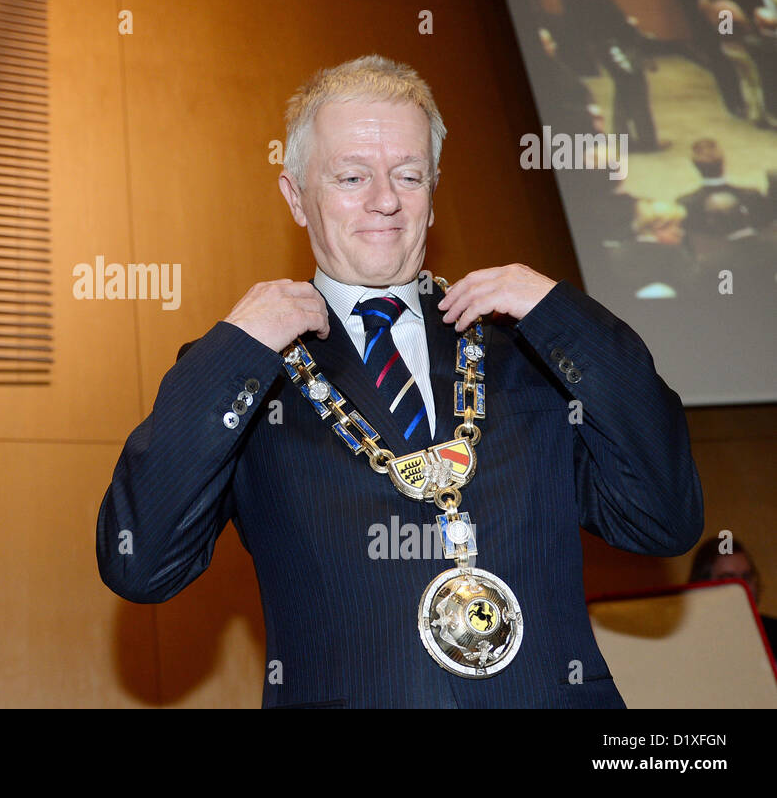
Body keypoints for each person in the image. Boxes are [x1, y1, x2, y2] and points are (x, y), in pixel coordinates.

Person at [96, 55, 704, 708]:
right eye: (352, 176)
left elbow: (663, 520)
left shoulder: (525, 349)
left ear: (434, 191)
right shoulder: (248, 374)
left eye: (408, 175)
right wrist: (233, 348)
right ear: (296, 197)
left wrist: (567, 317)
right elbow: (141, 563)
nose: (384, 200)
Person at [560, 0, 668, 152]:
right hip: (616, 47)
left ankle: (624, 138)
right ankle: (647, 140)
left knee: (623, 89)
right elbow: (613, 24)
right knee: (636, 90)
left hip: (601, 48)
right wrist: (631, 25)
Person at [689, 537, 777, 658]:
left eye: (746, 577)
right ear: (703, 584)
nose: (742, 587)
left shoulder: (774, 632)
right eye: (728, 579)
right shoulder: (689, 640)